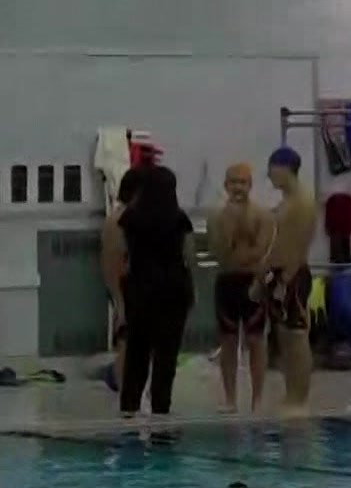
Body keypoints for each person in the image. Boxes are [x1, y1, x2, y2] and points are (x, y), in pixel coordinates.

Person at [116, 164, 195, 418]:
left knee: (136, 353)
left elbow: (123, 257)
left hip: (140, 289)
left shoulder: (129, 218)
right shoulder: (180, 218)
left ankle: (129, 408)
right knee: (166, 355)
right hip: (173, 290)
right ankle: (161, 409)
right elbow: (189, 257)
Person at [208, 163, 273, 413]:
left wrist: (244, 254)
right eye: (233, 182)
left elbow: (262, 252)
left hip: (253, 282)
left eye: (242, 182)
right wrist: (231, 231)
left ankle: (257, 399)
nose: (238, 187)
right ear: (225, 186)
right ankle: (230, 399)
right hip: (227, 282)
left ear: (250, 185)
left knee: (256, 340)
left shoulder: (262, 215)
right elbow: (220, 254)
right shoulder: (216, 217)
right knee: (228, 342)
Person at [261, 147, 318, 415]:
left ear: (285, 168)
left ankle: (300, 399)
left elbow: (297, 246)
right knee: (285, 337)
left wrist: (285, 280)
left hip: (291, 274)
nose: (270, 177)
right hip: (280, 274)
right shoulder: (287, 201)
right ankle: (291, 393)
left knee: (296, 336)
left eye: (272, 171)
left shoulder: (302, 202)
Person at [99, 168, 145, 395]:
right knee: (127, 342)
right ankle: (125, 392)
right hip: (123, 288)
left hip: (131, 287)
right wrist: (119, 301)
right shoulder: (118, 221)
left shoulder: (134, 217)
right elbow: (112, 264)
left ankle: (127, 388)